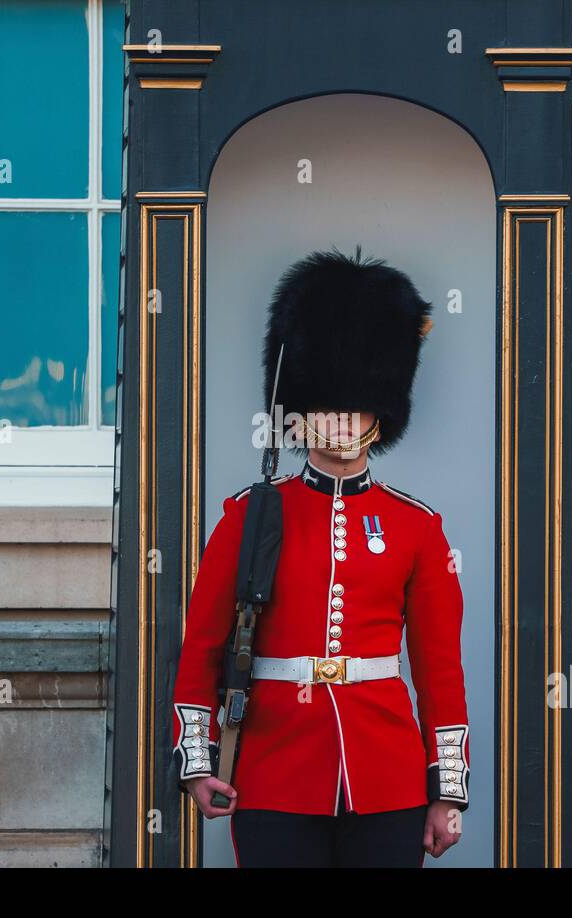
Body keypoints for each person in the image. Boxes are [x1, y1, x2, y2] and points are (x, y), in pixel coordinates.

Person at [169, 247, 469, 867]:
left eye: (353, 407)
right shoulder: (248, 516)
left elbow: (440, 669)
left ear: (378, 419)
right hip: (277, 770)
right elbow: (202, 646)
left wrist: (447, 789)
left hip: (386, 774)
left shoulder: (417, 526)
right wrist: (198, 762)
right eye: (324, 407)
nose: (337, 423)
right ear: (300, 414)